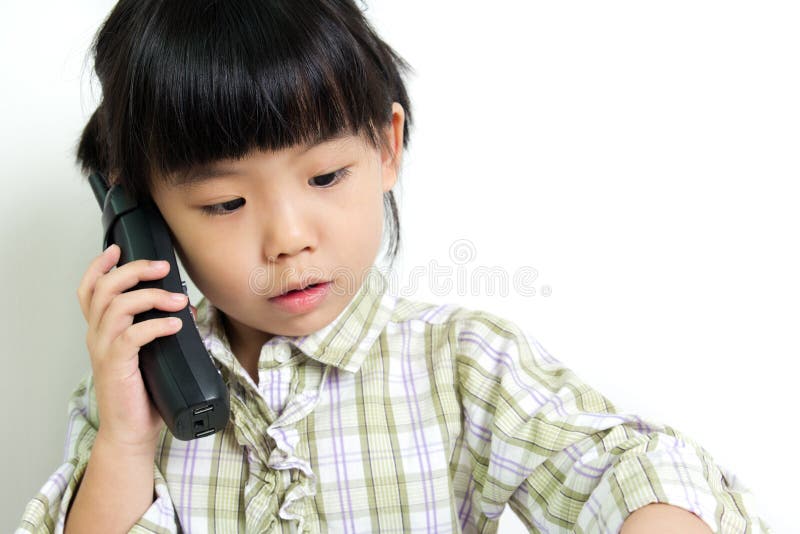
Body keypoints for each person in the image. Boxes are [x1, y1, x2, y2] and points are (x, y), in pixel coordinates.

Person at [17, 1, 770, 532]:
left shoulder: (463, 363)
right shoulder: (133, 400)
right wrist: (124, 441)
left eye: (324, 179)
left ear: (385, 148)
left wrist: (652, 514)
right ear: (143, 216)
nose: (288, 239)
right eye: (223, 204)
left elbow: (621, 465)